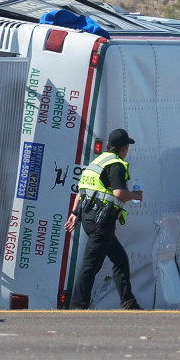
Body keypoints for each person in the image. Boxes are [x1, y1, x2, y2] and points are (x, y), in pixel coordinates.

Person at [65, 128, 144, 310]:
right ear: (123, 148)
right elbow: (119, 193)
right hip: (101, 222)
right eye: (127, 147)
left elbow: (82, 190)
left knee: (120, 259)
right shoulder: (116, 164)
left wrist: (74, 213)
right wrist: (135, 195)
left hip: (90, 218)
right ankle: (78, 306)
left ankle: (128, 301)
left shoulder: (97, 161)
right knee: (90, 266)